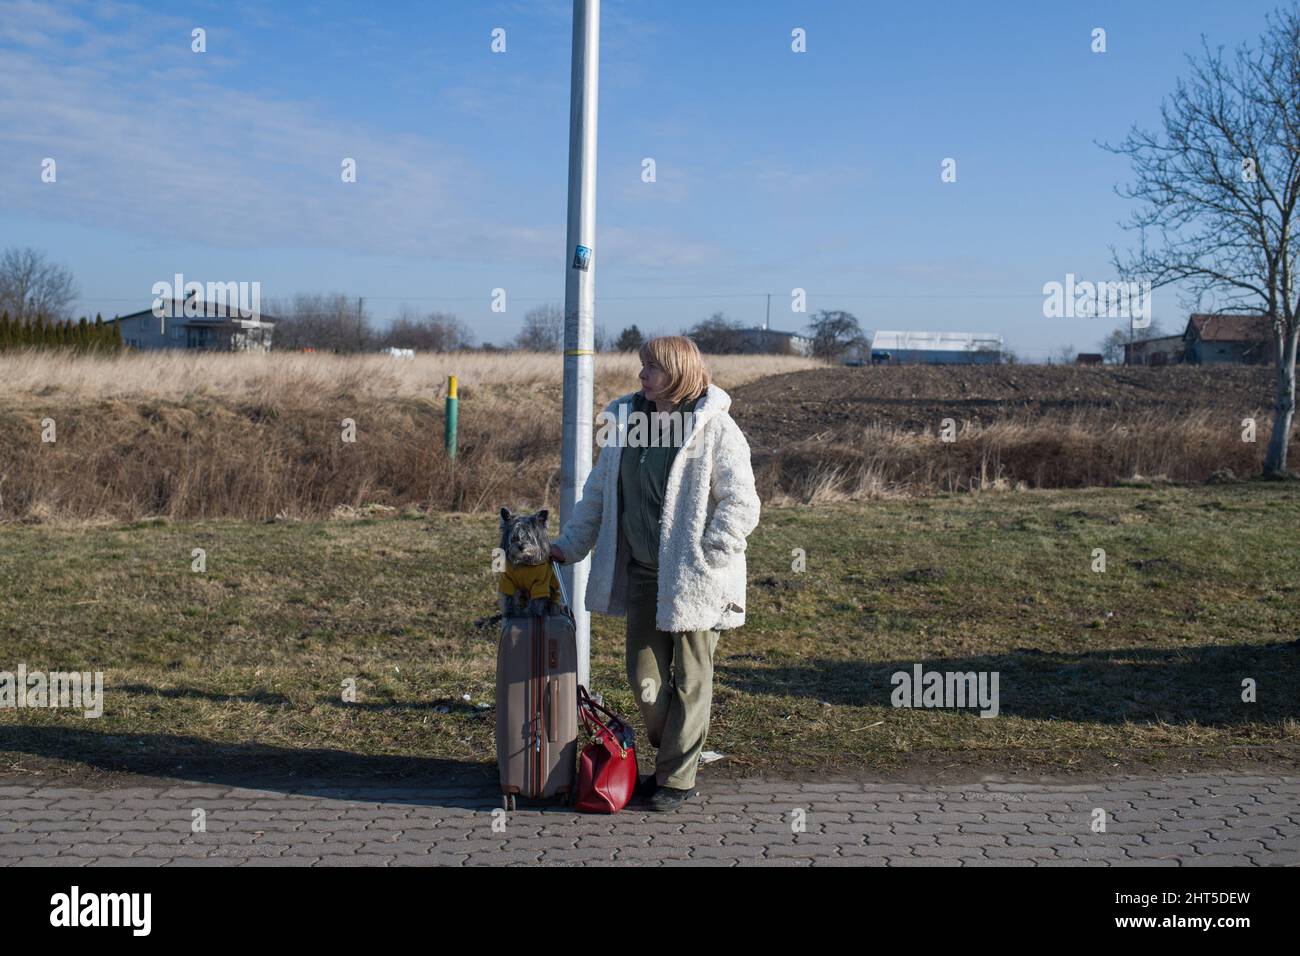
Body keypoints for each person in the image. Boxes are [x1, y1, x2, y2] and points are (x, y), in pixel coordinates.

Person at [549, 336, 761, 811]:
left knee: (690, 677)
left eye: (650, 368)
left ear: (678, 371)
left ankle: (677, 778)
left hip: (695, 577)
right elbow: (598, 495)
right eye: (642, 366)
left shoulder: (715, 427)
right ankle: (675, 758)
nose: (640, 375)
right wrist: (569, 546)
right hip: (642, 573)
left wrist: (712, 555)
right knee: (645, 678)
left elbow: (741, 503)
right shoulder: (627, 420)